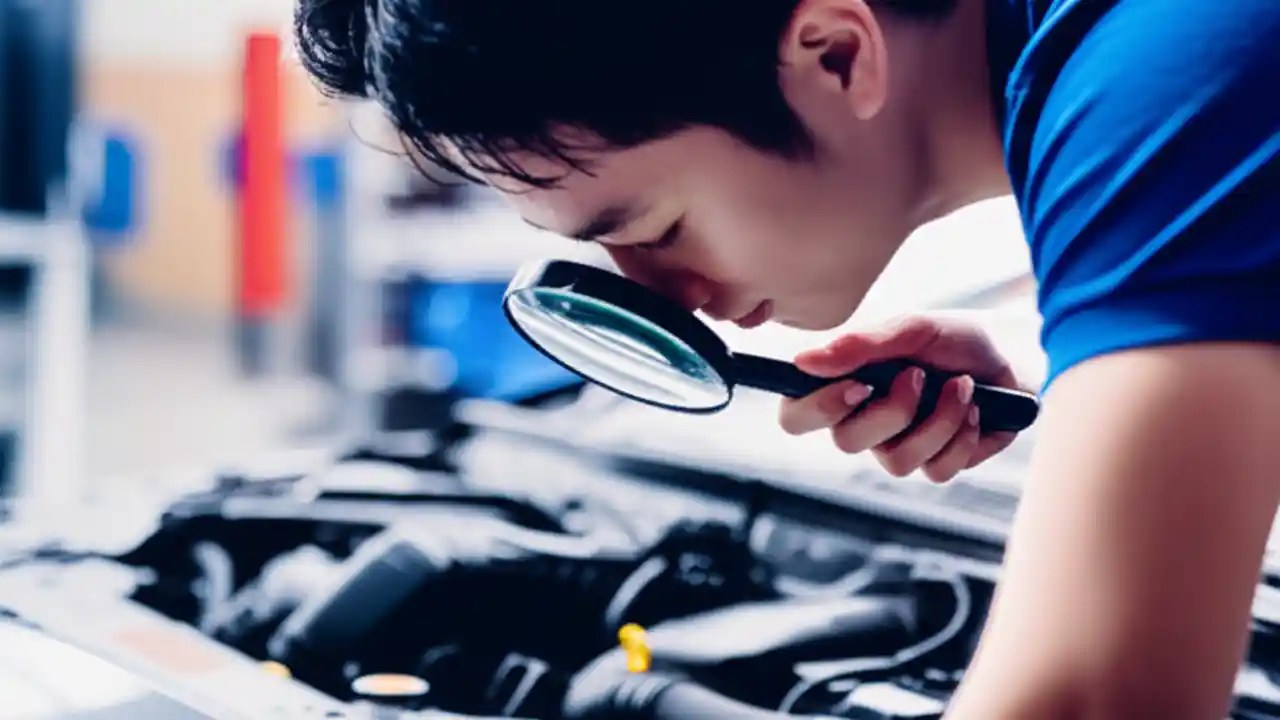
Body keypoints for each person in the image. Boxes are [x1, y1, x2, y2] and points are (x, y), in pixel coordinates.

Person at [292, 0, 1280, 717]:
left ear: (834, 53)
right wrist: (1100, 367)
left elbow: (1094, 699)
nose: (659, 293)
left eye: (654, 224)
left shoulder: (1168, 65)